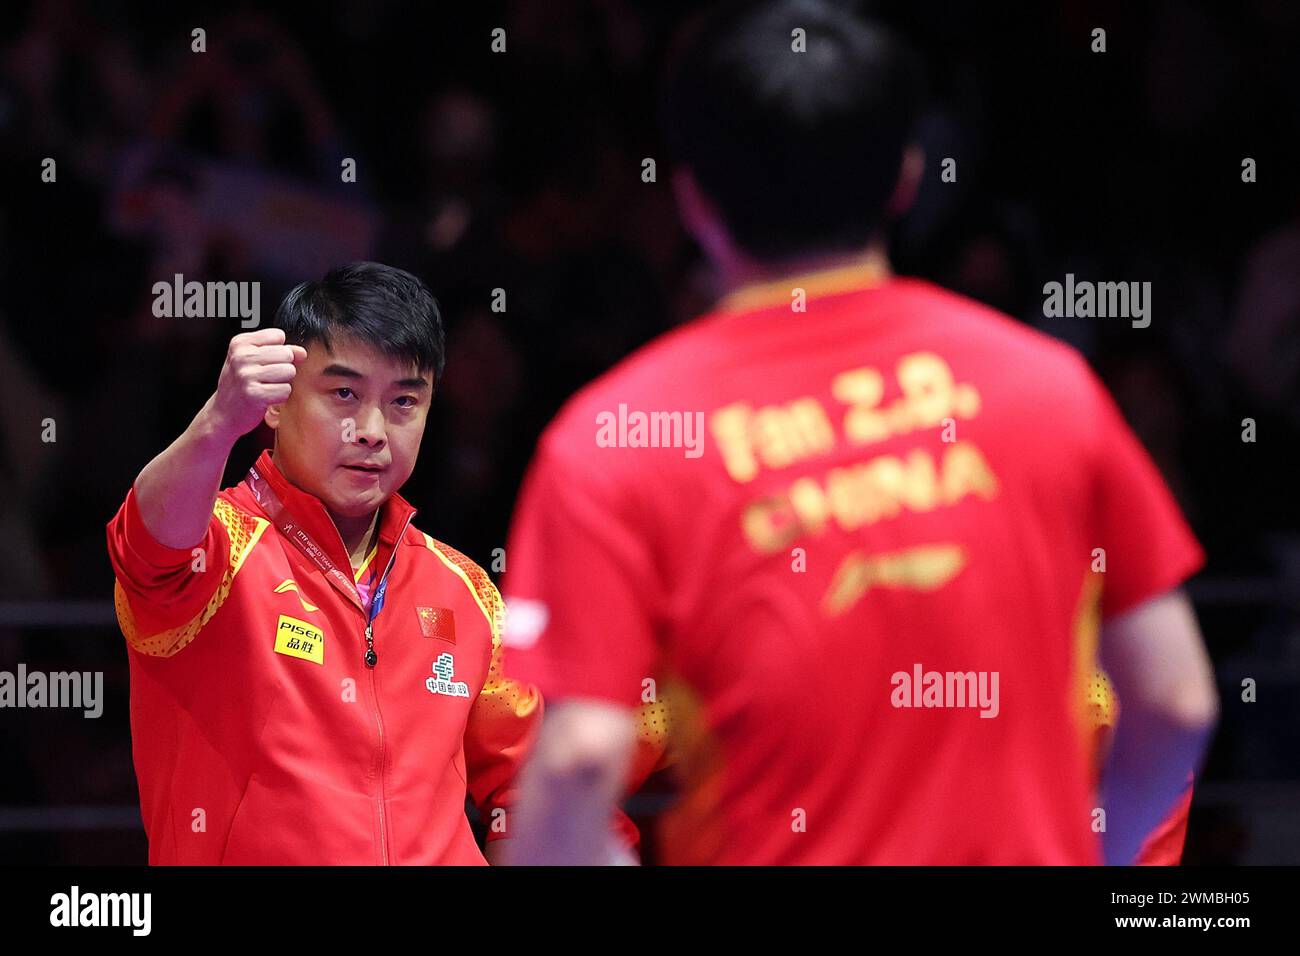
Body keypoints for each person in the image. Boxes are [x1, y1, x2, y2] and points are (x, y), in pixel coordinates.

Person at [500, 0, 1218, 865]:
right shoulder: (1047, 387)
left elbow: (578, 761)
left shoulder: (614, 437)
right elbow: (1176, 699)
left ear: (690, 196)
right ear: (906, 179)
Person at [106, 261, 539, 864]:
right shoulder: (215, 551)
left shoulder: (465, 589)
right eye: (344, 393)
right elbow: (147, 547)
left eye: (404, 401)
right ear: (277, 403)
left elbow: (526, 789)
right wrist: (217, 424)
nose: (372, 430)